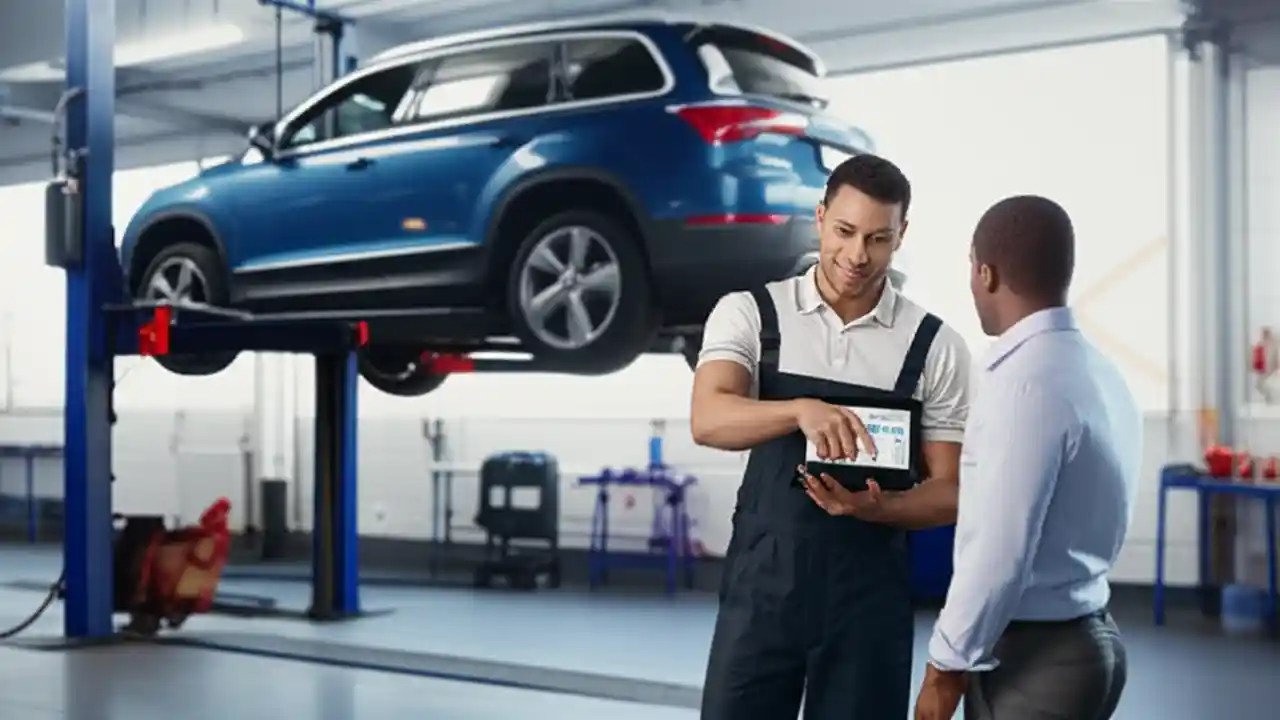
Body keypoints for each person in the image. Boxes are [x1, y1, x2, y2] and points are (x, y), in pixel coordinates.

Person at [691, 153, 972, 720]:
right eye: (844, 231)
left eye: (878, 238)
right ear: (819, 217)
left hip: (868, 600)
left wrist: (882, 507)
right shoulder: (752, 314)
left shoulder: (935, 346)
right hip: (762, 591)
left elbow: (952, 490)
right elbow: (710, 418)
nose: (857, 256)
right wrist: (798, 410)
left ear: (902, 236)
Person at [914, 195, 1141, 720]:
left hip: (1036, 657)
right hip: (1090, 632)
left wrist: (942, 670)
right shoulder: (1095, 370)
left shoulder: (1024, 385)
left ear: (986, 272)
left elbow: (998, 550)